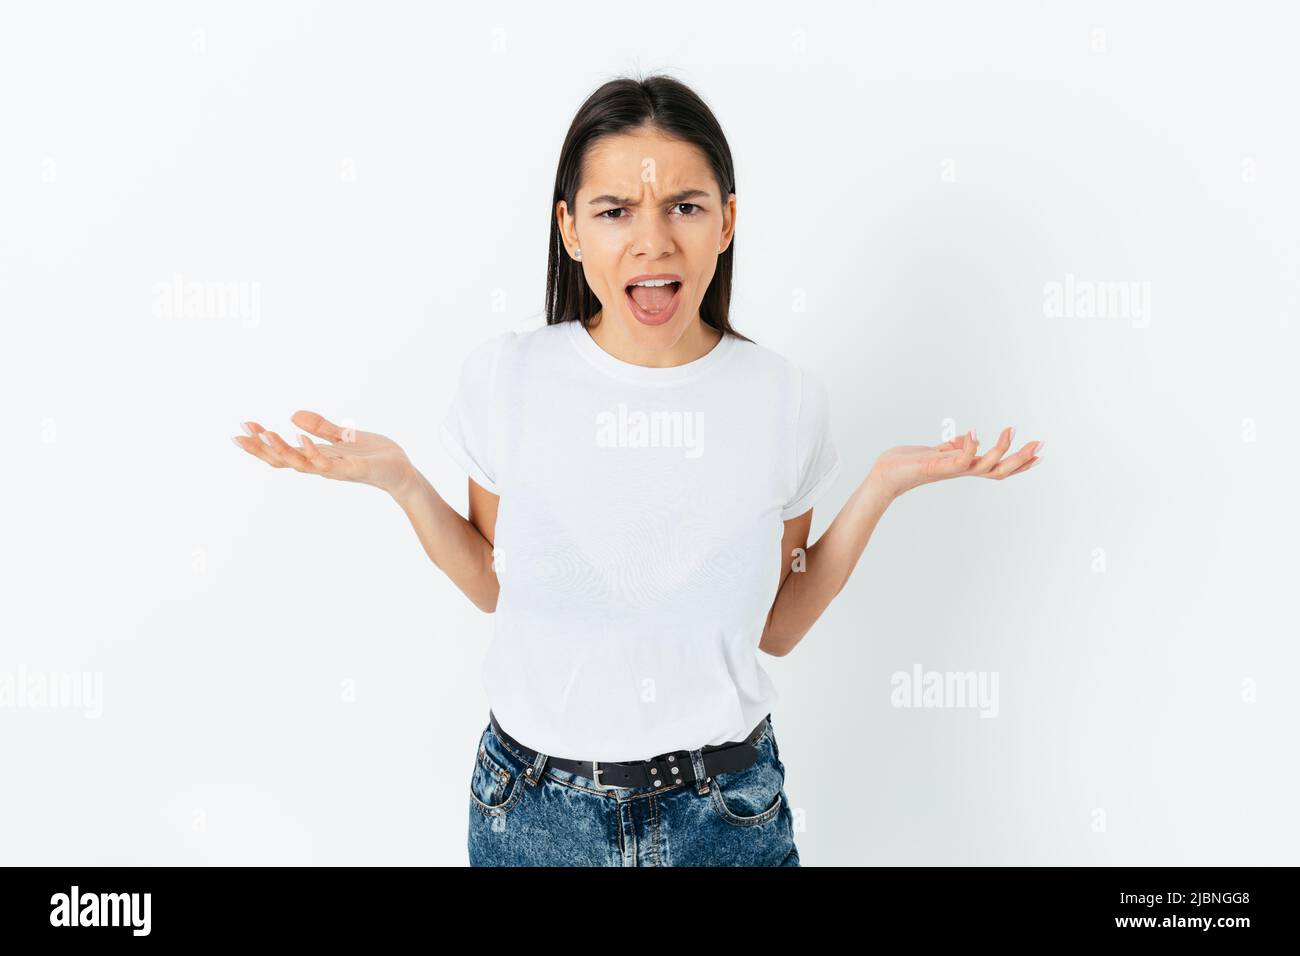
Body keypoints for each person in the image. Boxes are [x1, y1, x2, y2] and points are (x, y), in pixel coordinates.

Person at [231, 74, 1043, 866]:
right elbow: (492, 580)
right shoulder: (508, 379)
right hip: (533, 815)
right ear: (571, 228)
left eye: (684, 207)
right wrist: (403, 481)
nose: (653, 241)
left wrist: (879, 489)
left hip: (725, 816)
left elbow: (778, 627)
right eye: (615, 211)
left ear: (726, 222)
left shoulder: (783, 400)